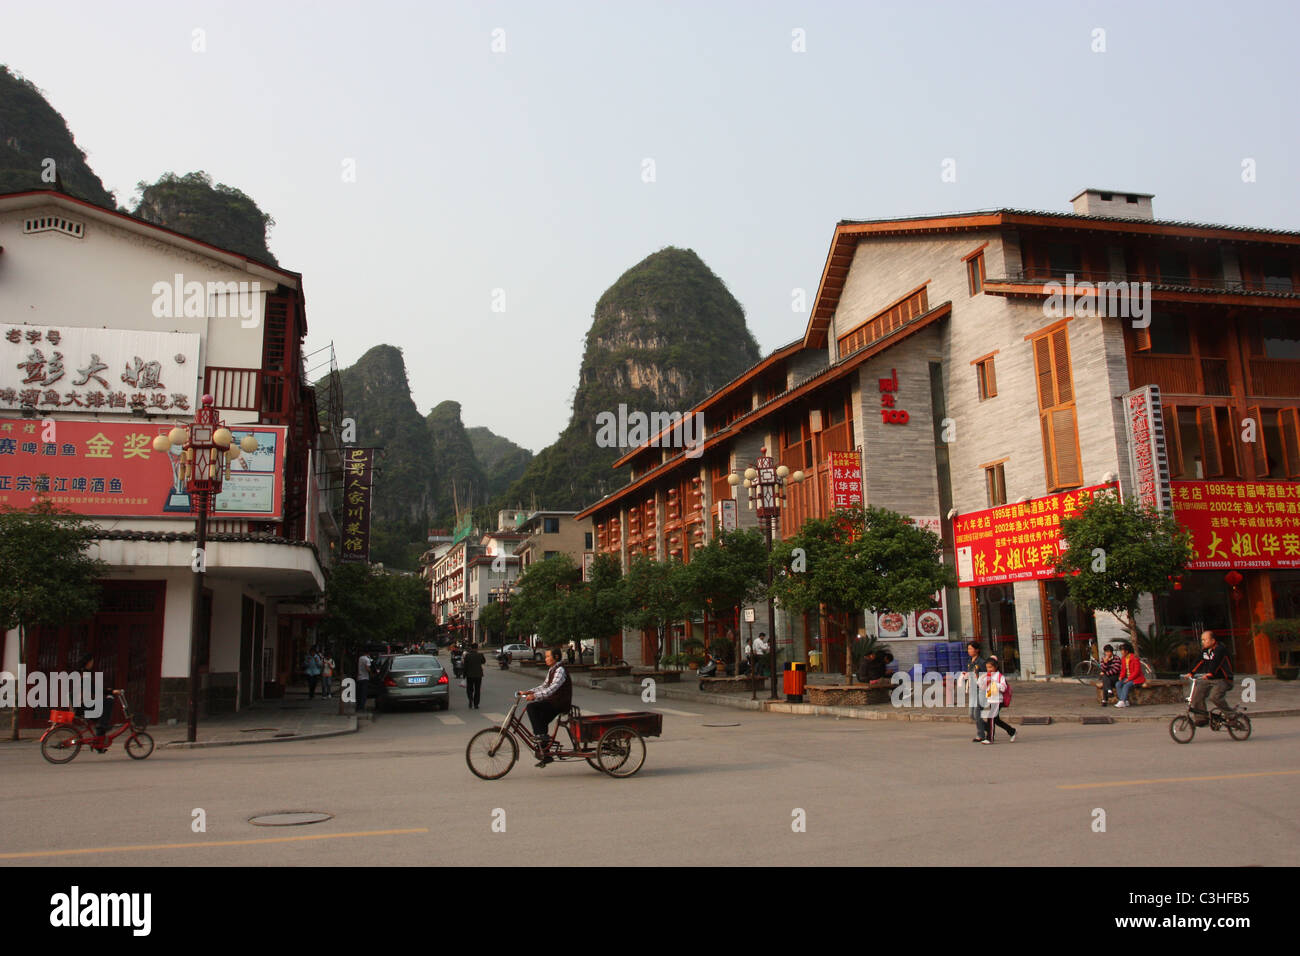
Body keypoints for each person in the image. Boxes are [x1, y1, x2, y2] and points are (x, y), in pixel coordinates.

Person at [522, 648, 572, 767]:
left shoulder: (560, 670)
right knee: (541, 722)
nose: (546, 659)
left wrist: (534, 697)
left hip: (559, 703)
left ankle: (541, 737)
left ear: (556, 657)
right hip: (553, 702)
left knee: (531, 708)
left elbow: (551, 689)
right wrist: (528, 692)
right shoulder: (552, 670)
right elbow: (544, 686)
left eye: (548, 656)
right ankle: (546, 754)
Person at [1185, 630, 1234, 726]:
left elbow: (1216, 662)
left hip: (1224, 680)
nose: (1203, 642)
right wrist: (1191, 673)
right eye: (1202, 640)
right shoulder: (1205, 651)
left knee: (1214, 697)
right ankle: (1201, 718)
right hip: (1210, 679)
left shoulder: (1220, 649)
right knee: (1196, 694)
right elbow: (1198, 661)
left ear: (1212, 640)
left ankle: (1231, 716)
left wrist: (1210, 673)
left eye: (1205, 640)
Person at [977, 657, 1017, 743]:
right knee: (996, 720)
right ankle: (1012, 731)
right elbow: (981, 686)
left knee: (991, 718)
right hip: (991, 699)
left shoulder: (1000, 676)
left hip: (998, 700)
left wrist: (994, 683)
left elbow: (1003, 688)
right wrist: (981, 678)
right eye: (987, 667)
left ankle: (990, 738)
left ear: (996, 667)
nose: (989, 669)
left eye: (991, 667)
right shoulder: (987, 676)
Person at [964, 641, 988, 742]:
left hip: (981, 690)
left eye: (971, 649)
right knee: (972, 715)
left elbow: (985, 676)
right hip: (972, 690)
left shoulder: (981, 662)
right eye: (968, 649)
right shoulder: (970, 662)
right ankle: (989, 727)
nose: (969, 651)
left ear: (977, 650)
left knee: (977, 713)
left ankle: (980, 735)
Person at [1114, 642, 1146, 708]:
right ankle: (1124, 701)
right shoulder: (1123, 658)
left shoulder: (1134, 658)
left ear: (1127, 651)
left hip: (1136, 678)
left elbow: (1136, 671)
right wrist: (1121, 676)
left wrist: (1129, 679)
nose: (1121, 652)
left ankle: (1122, 701)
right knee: (1118, 684)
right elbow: (1123, 670)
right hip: (1128, 678)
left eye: (1122, 650)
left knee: (1126, 685)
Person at [463, 642, 486, 709]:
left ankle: (470, 700)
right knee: (477, 690)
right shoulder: (480, 655)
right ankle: (476, 704)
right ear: (477, 648)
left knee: (469, 689)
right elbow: (483, 661)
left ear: (471, 648)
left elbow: (465, 666)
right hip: (478, 675)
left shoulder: (467, 655)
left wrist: (464, 675)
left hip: (469, 675)